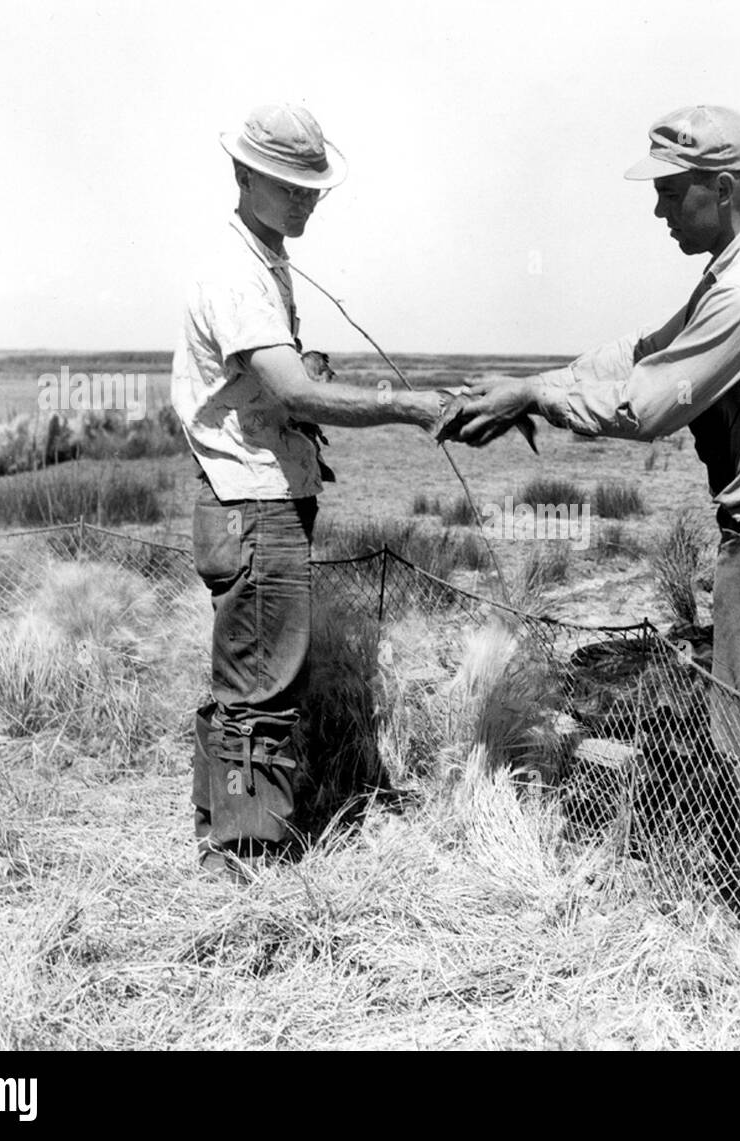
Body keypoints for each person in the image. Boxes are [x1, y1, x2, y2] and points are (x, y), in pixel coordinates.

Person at [441, 105, 740, 958]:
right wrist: (533, 384)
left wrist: (535, 399)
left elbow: (646, 402)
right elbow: (647, 348)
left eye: (671, 192)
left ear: (723, 189)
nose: (658, 211)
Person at [171, 103, 452, 879]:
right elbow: (290, 390)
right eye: (290, 185)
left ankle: (224, 835)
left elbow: (269, 386)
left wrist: (299, 402)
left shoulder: (262, 258)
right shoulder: (236, 273)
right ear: (244, 174)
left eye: (313, 187)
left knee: (247, 677)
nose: (307, 200)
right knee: (263, 687)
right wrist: (407, 406)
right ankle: (247, 857)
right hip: (253, 506)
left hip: (255, 497)